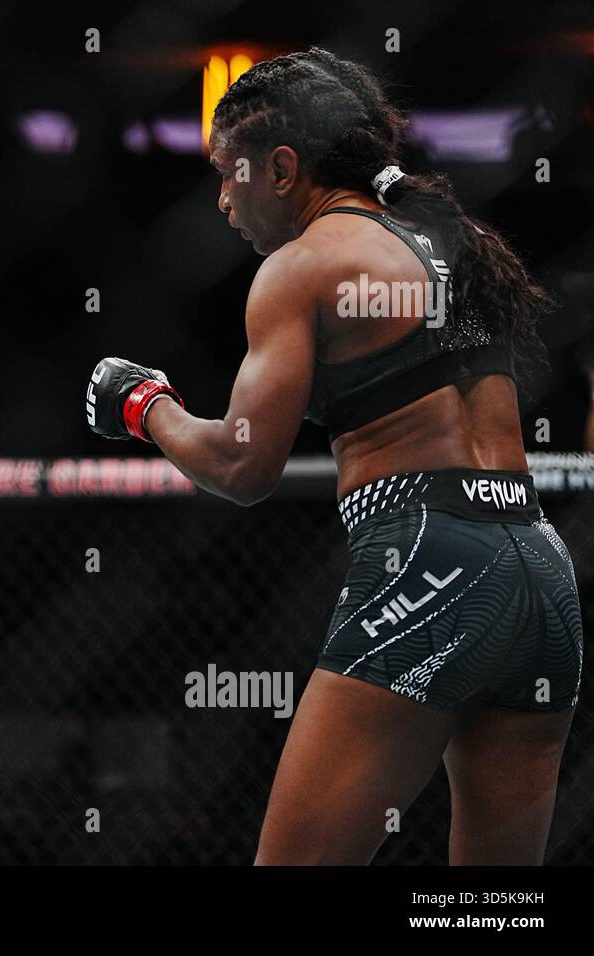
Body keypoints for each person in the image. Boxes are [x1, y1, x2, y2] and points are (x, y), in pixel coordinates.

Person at [86, 49, 582, 865]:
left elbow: (243, 467)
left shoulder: (302, 267)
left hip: (430, 556)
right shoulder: (454, 249)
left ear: (282, 168)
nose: (220, 200)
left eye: (228, 173)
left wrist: (145, 406)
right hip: (540, 567)